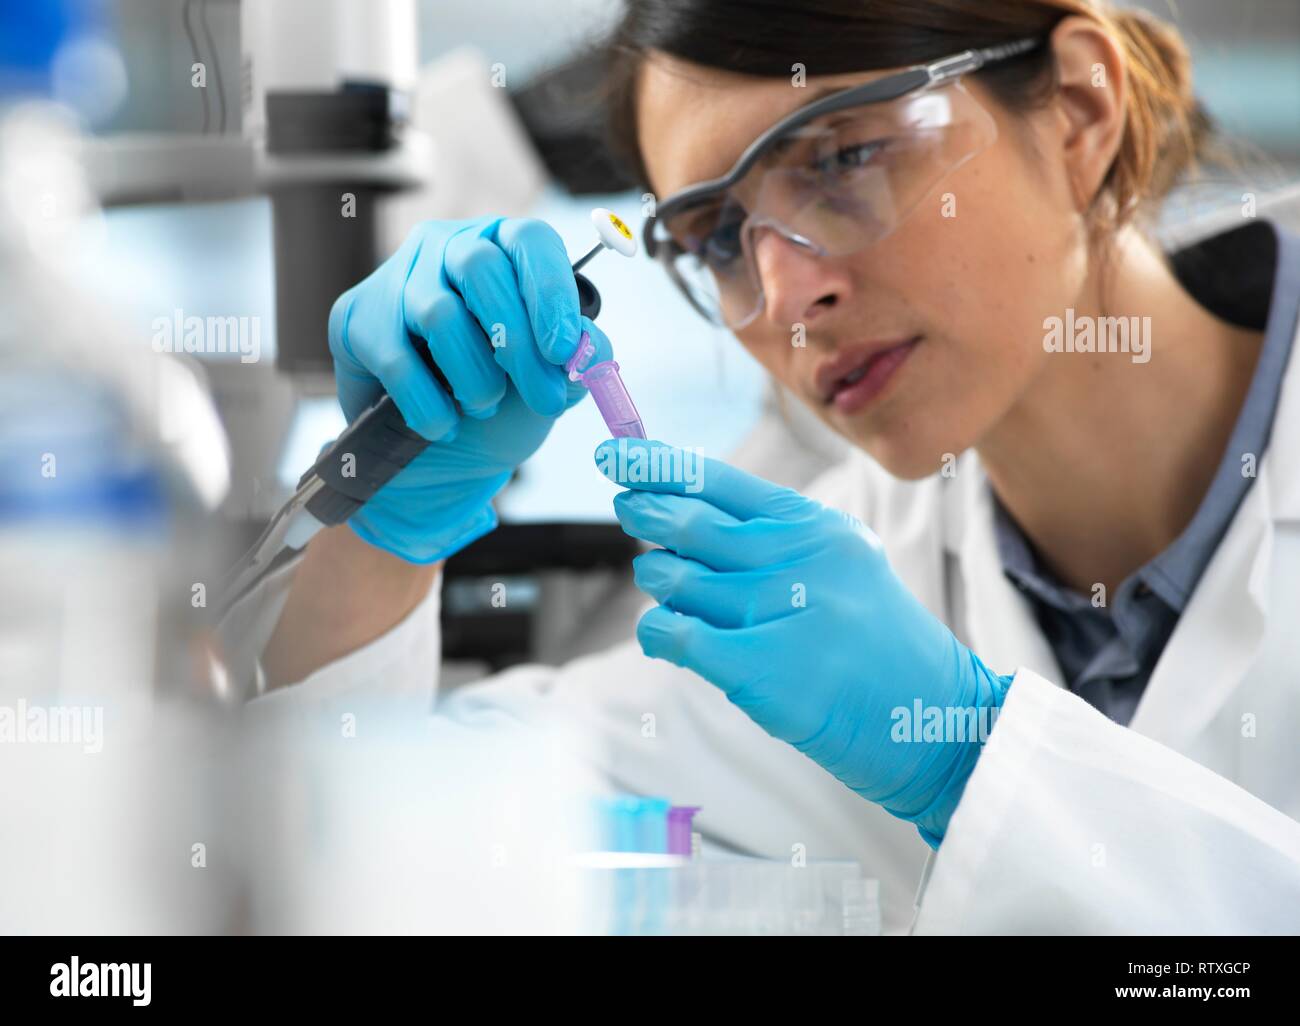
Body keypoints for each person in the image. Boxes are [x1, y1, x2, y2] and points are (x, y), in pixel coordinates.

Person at [235, 0, 1300, 933]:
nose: (785, 298)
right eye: (715, 238)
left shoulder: (871, 655)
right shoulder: (825, 598)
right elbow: (349, 863)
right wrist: (383, 530)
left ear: (1077, 107)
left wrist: (976, 762)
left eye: (842, 158)